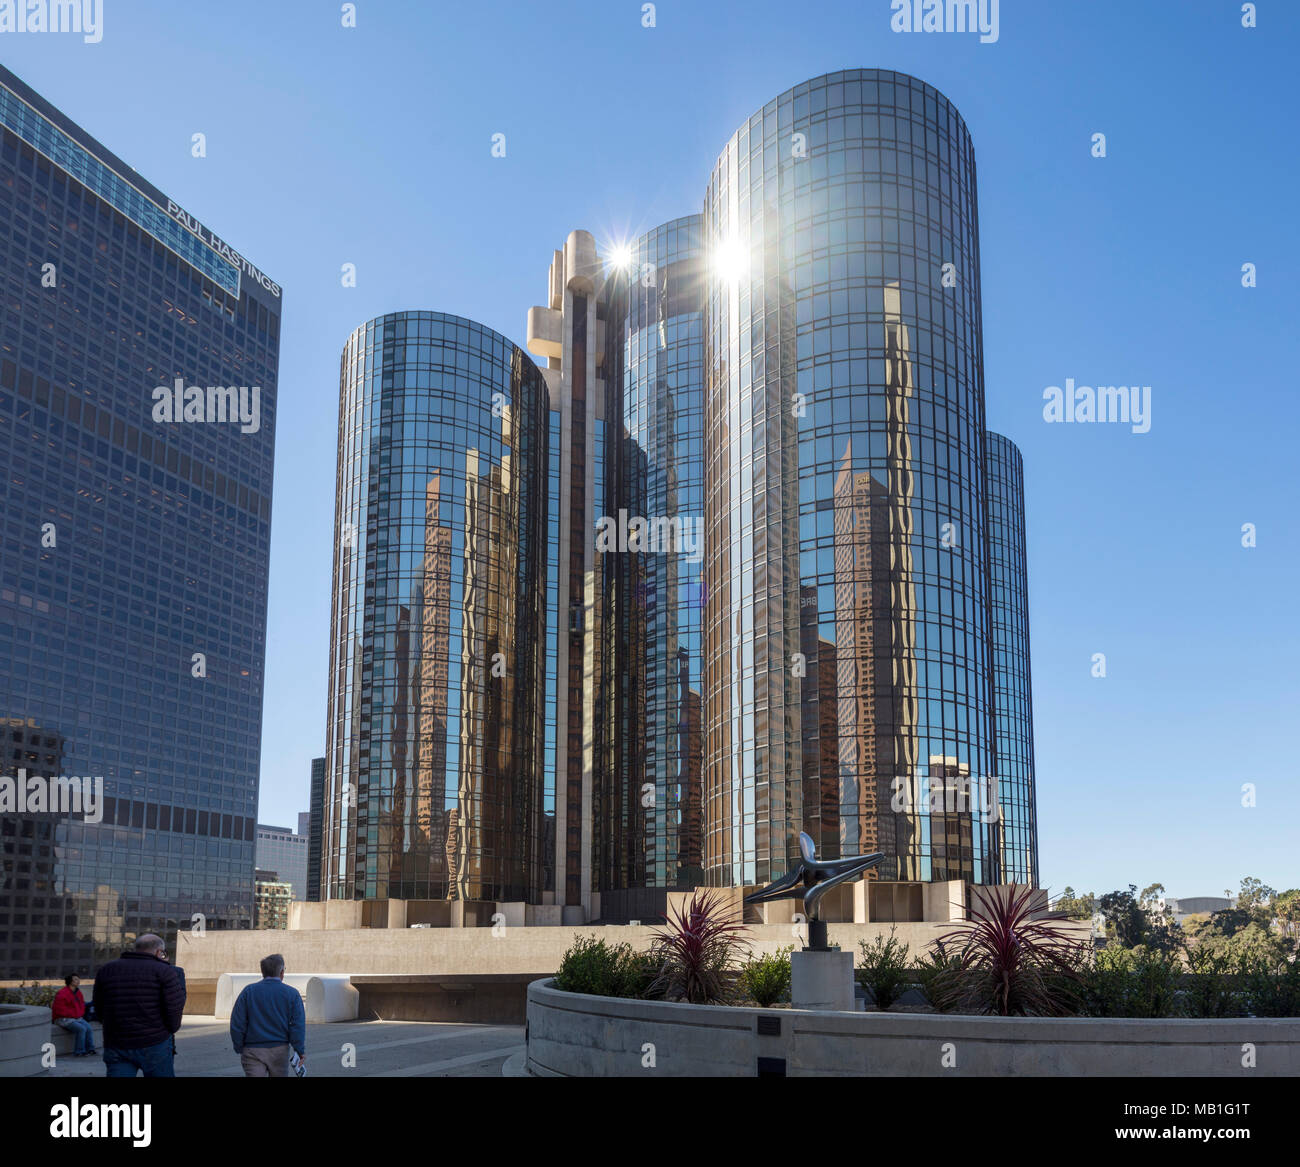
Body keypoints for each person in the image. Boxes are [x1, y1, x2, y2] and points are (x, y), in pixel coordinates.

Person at [92, 934, 185, 1078]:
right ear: (159, 952)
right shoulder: (165, 971)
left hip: (117, 1042)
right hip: (154, 1042)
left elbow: (98, 1006)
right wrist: (171, 1029)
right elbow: (174, 1005)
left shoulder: (107, 970)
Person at [229, 953, 305, 1078]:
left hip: (252, 1049)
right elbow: (297, 1025)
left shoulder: (248, 991)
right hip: (280, 1050)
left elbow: (237, 1022)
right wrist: (299, 1049)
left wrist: (239, 1046)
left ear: (263, 972)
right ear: (281, 972)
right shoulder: (292, 994)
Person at [51, 974, 96, 1057]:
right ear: (70, 982)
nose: (78, 981)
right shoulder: (62, 993)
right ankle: (79, 1051)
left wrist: (79, 1014)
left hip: (76, 1018)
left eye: (78, 979)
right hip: (63, 1019)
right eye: (75, 979)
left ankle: (90, 1049)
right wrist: (74, 1015)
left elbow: (82, 1005)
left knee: (89, 1028)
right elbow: (59, 1010)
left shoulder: (78, 992)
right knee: (81, 1029)